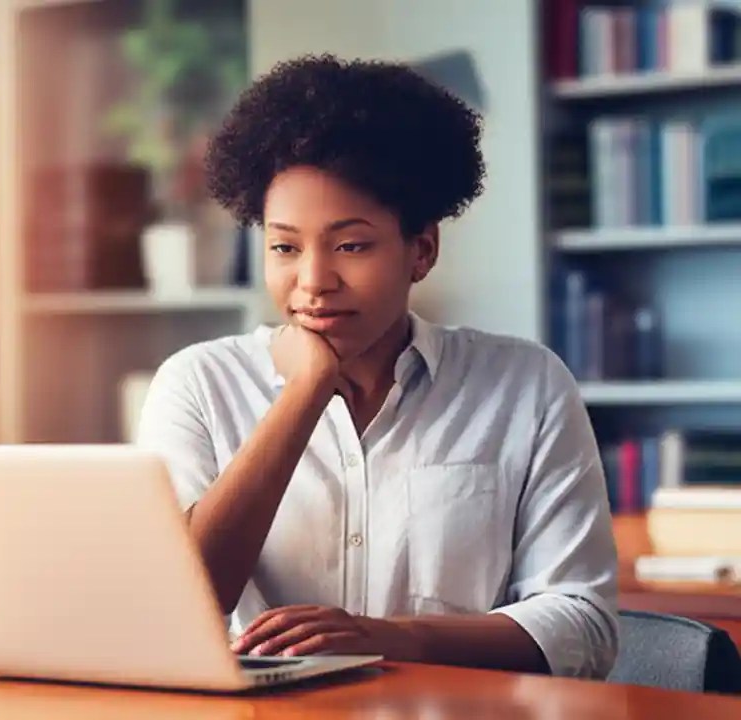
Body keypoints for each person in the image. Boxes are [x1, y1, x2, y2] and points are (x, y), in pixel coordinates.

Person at [135, 54, 618, 679]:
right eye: (285, 247)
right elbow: (178, 605)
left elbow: (584, 623)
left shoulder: (525, 385)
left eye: (351, 245)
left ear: (421, 250)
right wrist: (305, 390)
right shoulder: (199, 385)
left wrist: (396, 639)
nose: (313, 282)